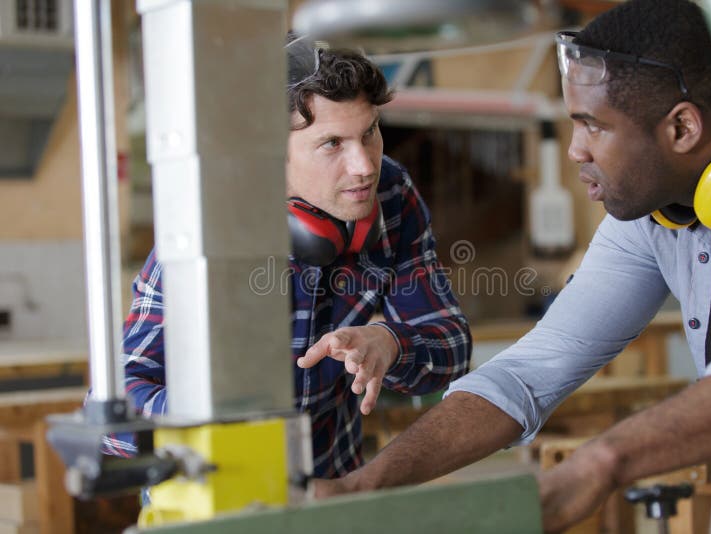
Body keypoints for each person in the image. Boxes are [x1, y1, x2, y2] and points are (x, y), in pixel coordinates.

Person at [313, 0, 711, 530]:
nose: (574, 151)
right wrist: (366, 484)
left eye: (592, 126)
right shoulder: (651, 220)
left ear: (682, 128)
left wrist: (600, 463)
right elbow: (533, 369)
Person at [103, 38, 472, 479]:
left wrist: (391, 343)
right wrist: (200, 417)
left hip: (331, 496)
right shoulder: (209, 222)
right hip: (213, 500)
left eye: (369, 132)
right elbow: (111, 408)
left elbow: (452, 345)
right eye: (332, 143)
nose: (365, 166)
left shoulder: (389, 193)